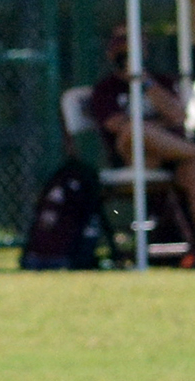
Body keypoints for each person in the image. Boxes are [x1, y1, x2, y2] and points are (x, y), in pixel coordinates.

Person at [88, 25, 195, 246]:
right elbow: (118, 125)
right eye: (122, 45)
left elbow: (177, 115)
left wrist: (144, 82)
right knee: (137, 130)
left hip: (174, 155)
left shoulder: (160, 82)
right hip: (134, 156)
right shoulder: (105, 89)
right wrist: (157, 126)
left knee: (193, 172)